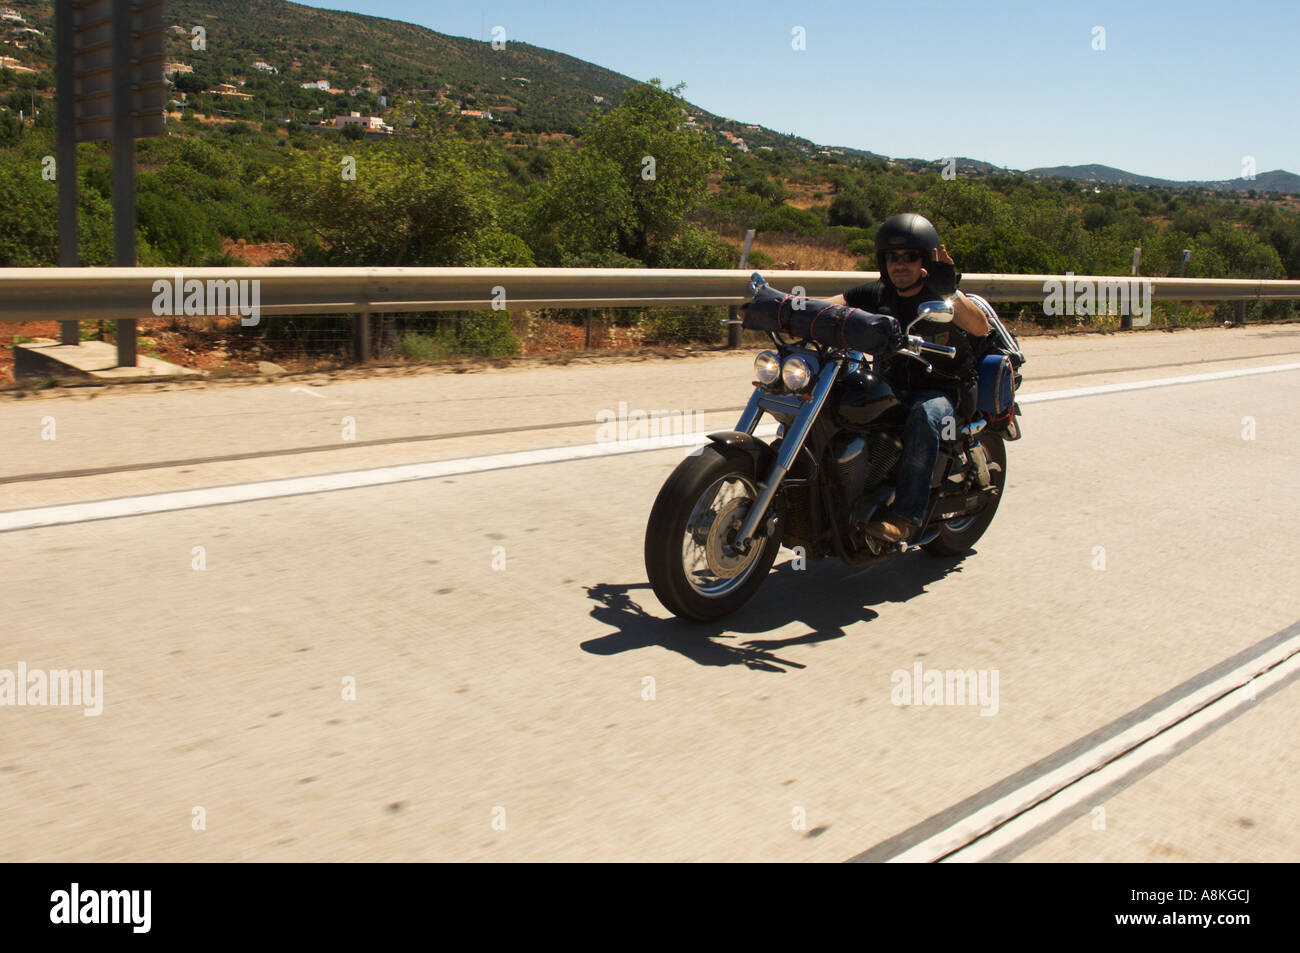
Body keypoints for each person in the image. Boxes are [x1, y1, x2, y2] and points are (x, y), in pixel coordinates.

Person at [826, 213, 990, 544]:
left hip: (944, 389)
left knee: (923, 415)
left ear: (925, 260)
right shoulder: (878, 293)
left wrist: (951, 291)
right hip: (894, 386)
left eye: (910, 257)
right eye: (893, 257)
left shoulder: (940, 295)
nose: (900, 265)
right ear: (882, 261)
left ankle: (904, 518)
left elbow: (980, 327)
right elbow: (830, 305)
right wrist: (785, 310)